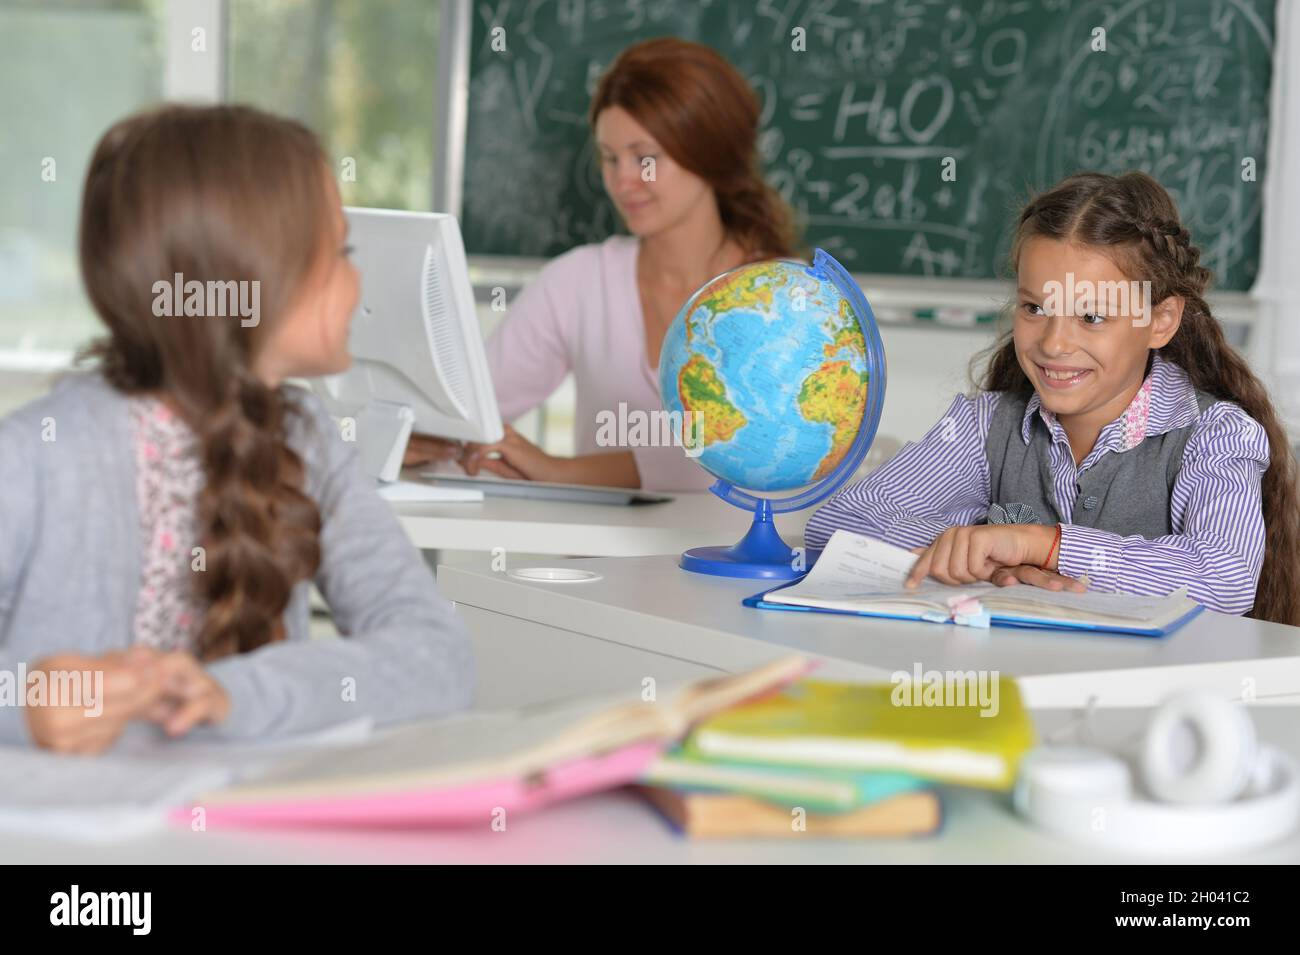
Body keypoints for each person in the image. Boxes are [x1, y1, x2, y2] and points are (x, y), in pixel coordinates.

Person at [0, 104, 475, 752]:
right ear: (251, 276)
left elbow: (438, 656)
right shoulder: (32, 458)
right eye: (340, 252)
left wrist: (239, 695)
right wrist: (27, 705)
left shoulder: (308, 441)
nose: (357, 278)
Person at [805, 171, 1300, 623]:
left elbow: (1223, 580)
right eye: (1035, 307)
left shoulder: (1217, 435)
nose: (1054, 343)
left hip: (1149, 709)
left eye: (1091, 317)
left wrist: (1045, 545)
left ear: (1160, 321)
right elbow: (837, 524)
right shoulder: (982, 426)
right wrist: (977, 553)